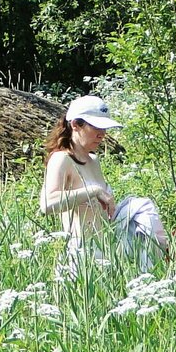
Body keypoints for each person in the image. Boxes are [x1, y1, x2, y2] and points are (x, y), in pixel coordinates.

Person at [40, 95, 123, 267]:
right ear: (75, 125)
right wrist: (92, 190)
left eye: (105, 128)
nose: (102, 134)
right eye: (96, 127)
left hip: (106, 252)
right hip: (79, 255)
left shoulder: (94, 160)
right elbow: (47, 205)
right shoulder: (62, 159)